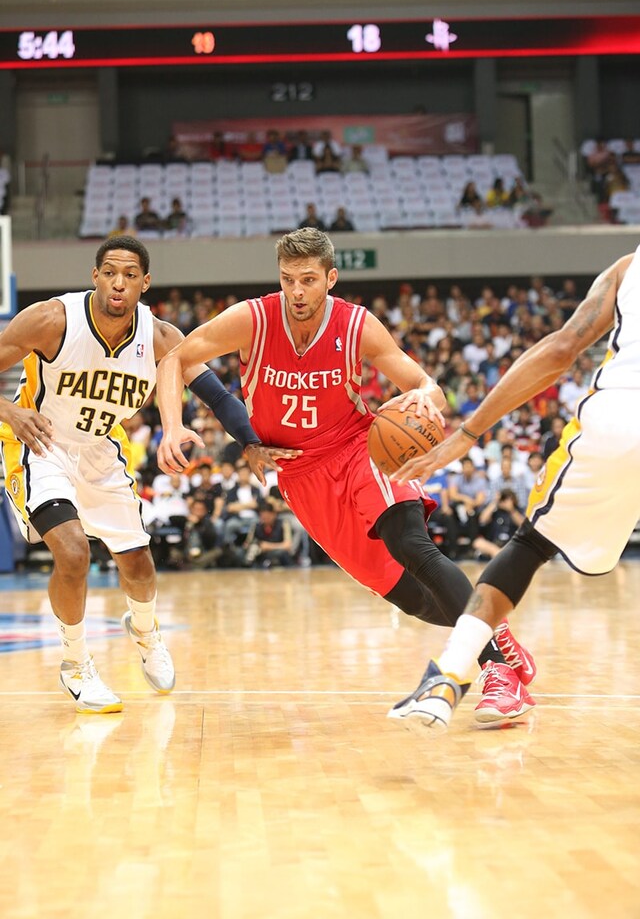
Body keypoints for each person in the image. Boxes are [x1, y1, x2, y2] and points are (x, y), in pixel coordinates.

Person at [155, 227, 537, 724]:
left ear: (330, 279)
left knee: (412, 546)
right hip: (300, 474)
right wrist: (171, 426)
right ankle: (499, 636)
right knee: (411, 598)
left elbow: (427, 385)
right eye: (288, 279)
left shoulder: (358, 325)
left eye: (308, 280)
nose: (296, 291)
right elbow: (175, 357)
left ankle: (496, 672)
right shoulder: (253, 319)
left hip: (359, 448)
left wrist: (424, 399)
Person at [0, 235, 291, 713]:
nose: (119, 283)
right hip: (40, 444)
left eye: (130, 275)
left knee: (138, 564)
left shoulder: (159, 339)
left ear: (145, 283)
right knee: (72, 552)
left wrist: (251, 443)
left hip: (101, 451)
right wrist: (9, 414)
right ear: (94, 276)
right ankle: (75, 664)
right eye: (110, 272)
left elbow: (216, 395)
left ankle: (145, 632)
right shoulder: (53, 320)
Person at [386, 247, 640, 732]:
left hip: (623, 419)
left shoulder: (628, 269)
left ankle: (450, 675)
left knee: (529, 546)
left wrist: (467, 432)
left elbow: (563, 349)